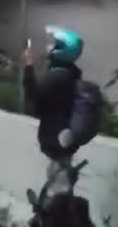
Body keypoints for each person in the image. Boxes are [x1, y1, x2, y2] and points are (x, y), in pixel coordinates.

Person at [22, 25, 84, 197]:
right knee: (60, 187)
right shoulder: (71, 74)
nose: (49, 47)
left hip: (56, 141)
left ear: (62, 50)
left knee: (57, 193)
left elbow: (33, 100)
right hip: (64, 141)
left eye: (54, 44)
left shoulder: (56, 77)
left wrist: (28, 66)